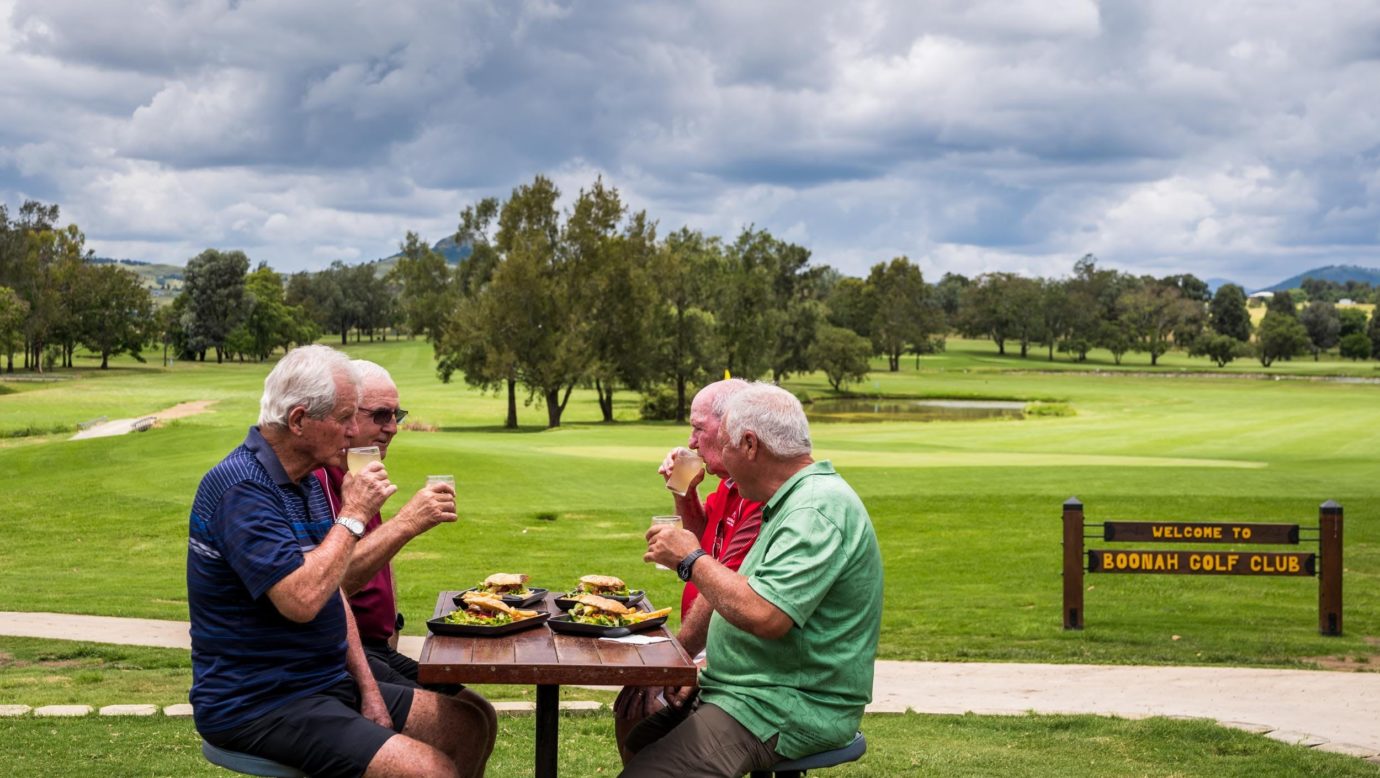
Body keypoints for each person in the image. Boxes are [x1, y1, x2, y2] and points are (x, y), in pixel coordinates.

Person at [187, 345, 490, 778]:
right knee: (429, 770)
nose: (353, 432)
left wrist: (369, 688)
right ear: (298, 420)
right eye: (345, 417)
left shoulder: (304, 481)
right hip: (259, 701)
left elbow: (334, 594)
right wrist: (353, 515)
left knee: (466, 725)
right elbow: (302, 600)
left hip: (321, 682)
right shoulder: (242, 490)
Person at [627, 382, 883, 778]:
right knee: (642, 738)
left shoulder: (815, 510)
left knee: (652, 772)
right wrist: (707, 669)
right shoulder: (789, 501)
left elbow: (766, 615)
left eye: (725, 445)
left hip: (785, 705)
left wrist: (691, 558)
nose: (719, 462)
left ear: (749, 445)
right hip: (750, 690)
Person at [313, 359, 498, 761]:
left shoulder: (362, 470)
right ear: (346, 416)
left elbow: (378, 556)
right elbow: (328, 583)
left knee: (481, 712)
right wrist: (408, 522)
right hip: (346, 653)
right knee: (462, 725)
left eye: (396, 415)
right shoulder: (321, 479)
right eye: (381, 415)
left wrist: (393, 623)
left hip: (377, 646)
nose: (393, 427)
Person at [614, 379, 765, 763]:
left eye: (699, 428)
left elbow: (720, 587)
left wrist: (678, 660)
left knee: (646, 702)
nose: (691, 442)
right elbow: (705, 541)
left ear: (731, 428)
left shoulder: (758, 496)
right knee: (634, 702)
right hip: (710, 646)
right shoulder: (729, 486)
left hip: (727, 652)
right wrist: (683, 490)